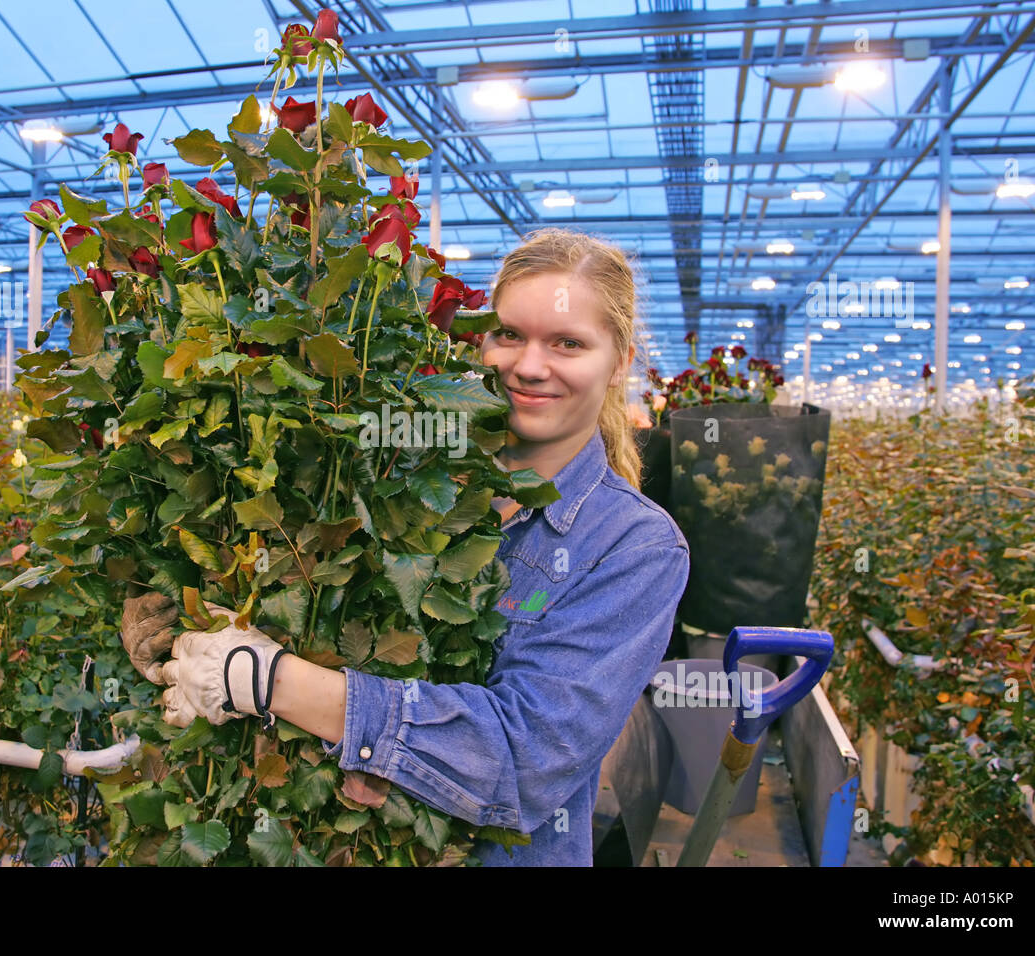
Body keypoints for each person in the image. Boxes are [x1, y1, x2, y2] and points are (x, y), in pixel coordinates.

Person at [121, 227, 690, 866]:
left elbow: (524, 759)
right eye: (509, 335)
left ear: (619, 362)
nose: (530, 366)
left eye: (568, 343)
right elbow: (303, 609)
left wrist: (271, 681)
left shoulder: (633, 548)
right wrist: (196, 633)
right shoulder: (397, 473)